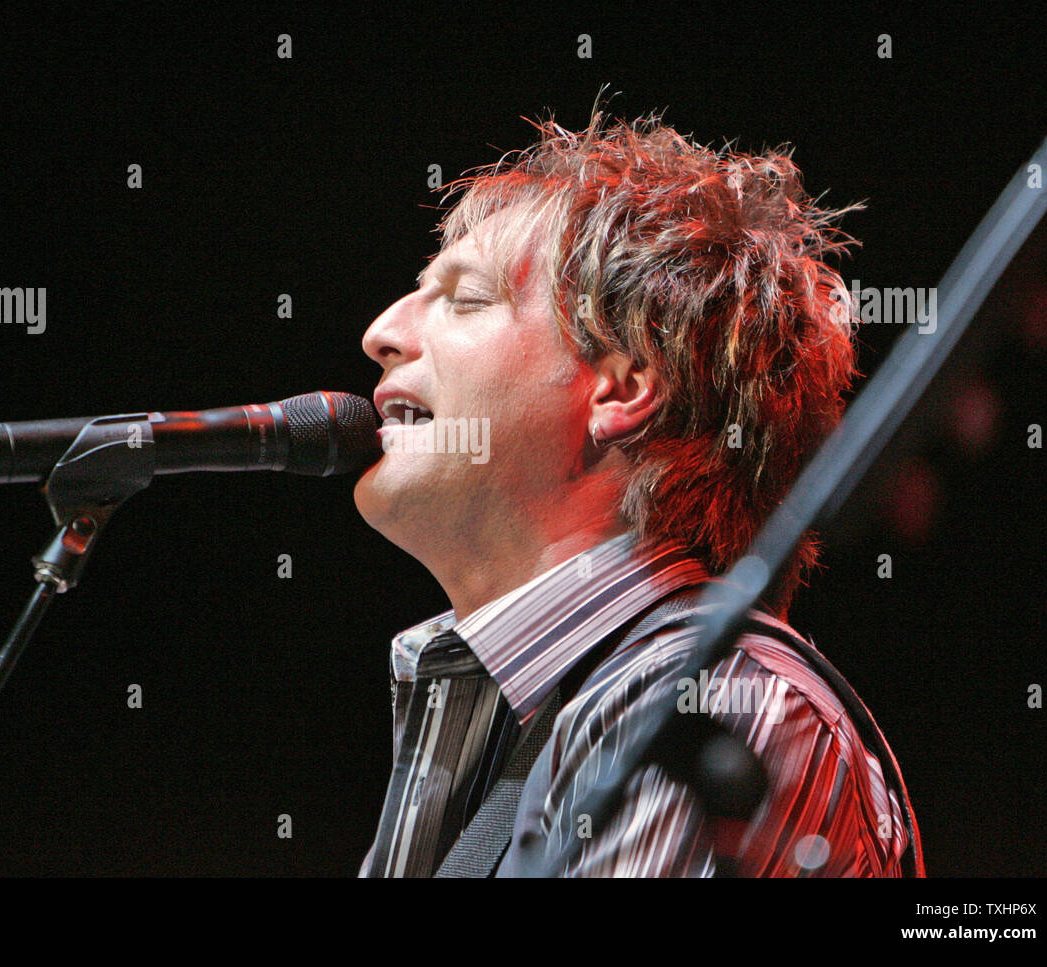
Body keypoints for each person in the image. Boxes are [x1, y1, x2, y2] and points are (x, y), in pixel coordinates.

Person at [351, 109, 923, 877]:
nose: (382, 331)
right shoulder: (506, 710)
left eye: (466, 298)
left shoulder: (722, 702)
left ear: (621, 386)